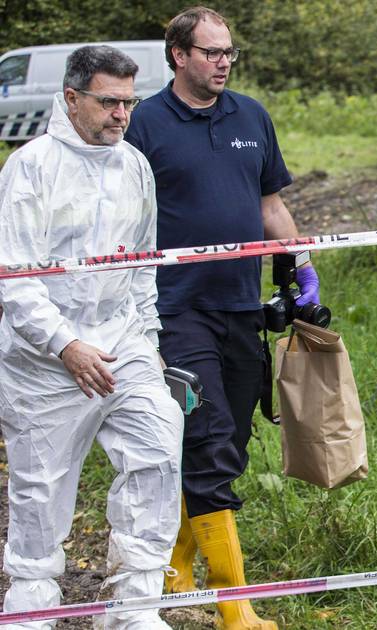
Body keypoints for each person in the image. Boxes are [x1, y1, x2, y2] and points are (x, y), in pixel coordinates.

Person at [125, 7, 317, 629]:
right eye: (211, 52)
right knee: (207, 444)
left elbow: (270, 205)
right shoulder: (144, 123)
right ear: (178, 55)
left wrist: (300, 268)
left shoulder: (250, 116)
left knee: (228, 442)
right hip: (174, 310)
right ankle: (235, 608)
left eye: (229, 51)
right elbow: (119, 217)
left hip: (240, 305)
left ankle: (175, 565)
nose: (223, 62)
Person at [0, 45, 183, 629]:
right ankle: (31, 606)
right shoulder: (30, 168)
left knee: (158, 448)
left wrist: (148, 340)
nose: (121, 114)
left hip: (123, 341)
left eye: (129, 102)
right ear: (72, 98)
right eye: (108, 102)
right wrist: (65, 344)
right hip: (44, 360)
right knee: (41, 488)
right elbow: (14, 276)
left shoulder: (134, 166)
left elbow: (143, 264)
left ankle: (133, 606)